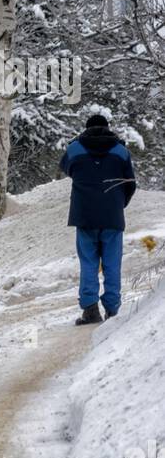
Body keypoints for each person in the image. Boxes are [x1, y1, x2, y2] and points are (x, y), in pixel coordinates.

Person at [59, 113, 136, 325]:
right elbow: (131, 183)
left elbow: (66, 168)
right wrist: (119, 203)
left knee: (88, 263)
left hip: (84, 215)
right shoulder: (121, 151)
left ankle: (90, 310)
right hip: (112, 216)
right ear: (107, 127)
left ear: (86, 128)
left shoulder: (75, 149)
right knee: (112, 263)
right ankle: (112, 310)